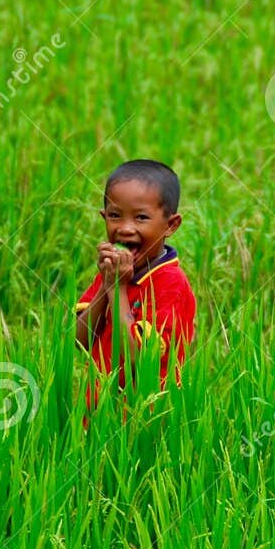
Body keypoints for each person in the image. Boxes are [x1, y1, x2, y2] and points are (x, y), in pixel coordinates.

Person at [74, 159, 196, 411]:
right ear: (104, 216)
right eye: (115, 216)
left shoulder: (171, 284)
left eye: (141, 217)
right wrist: (106, 286)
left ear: (171, 225)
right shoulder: (111, 272)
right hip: (96, 415)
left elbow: (137, 361)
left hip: (143, 420)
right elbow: (79, 343)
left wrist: (116, 289)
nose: (125, 229)